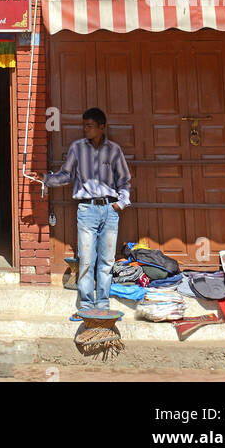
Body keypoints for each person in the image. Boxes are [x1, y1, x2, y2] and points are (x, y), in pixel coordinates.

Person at [43, 108, 132, 315]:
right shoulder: (77, 148)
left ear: (102, 127)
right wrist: (45, 179)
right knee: (86, 258)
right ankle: (85, 305)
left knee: (107, 260)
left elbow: (125, 180)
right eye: (84, 125)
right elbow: (66, 175)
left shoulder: (114, 150)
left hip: (110, 210)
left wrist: (121, 203)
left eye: (89, 126)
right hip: (86, 209)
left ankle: (102, 304)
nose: (85, 129)